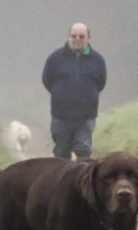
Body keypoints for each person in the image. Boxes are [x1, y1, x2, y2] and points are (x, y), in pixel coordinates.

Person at [41, 22, 107, 160]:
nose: (77, 39)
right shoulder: (55, 59)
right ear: (68, 37)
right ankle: (60, 180)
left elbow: (101, 83)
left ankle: (82, 181)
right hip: (61, 115)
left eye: (81, 36)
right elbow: (47, 81)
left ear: (88, 38)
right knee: (61, 152)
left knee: (83, 151)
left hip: (86, 115)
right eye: (74, 36)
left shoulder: (98, 60)